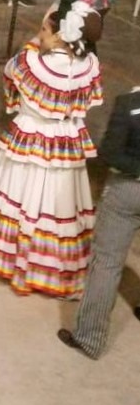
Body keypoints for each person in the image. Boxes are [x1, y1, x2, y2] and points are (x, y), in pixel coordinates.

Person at [0, 4, 103, 298]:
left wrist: (38, 45)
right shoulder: (89, 66)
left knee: (19, 198)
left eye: (44, 30)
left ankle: (10, 259)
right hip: (66, 140)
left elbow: (11, 77)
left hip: (31, 137)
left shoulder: (30, 61)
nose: (40, 34)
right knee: (57, 205)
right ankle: (51, 267)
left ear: (57, 35)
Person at [59, 86, 140, 358]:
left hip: (127, 190)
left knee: (106, 262)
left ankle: (90, 339)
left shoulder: (130, 103)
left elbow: (109, 152)